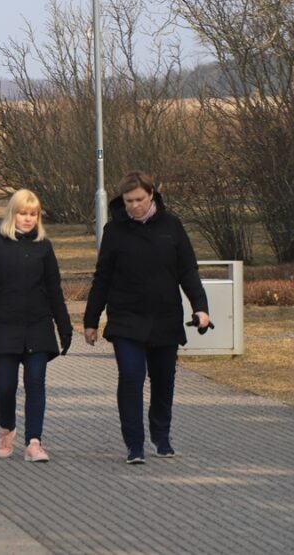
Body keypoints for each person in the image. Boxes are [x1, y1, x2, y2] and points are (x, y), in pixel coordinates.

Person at [83, 171, 210, 465]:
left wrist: (200, 308)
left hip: (165, 317)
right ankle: (134, 444)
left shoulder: (172, 226)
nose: (134, 206)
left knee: (163, 380)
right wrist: (91, 321)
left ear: (152, 195)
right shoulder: (115, 231)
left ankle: (161, 435)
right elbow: (101, 279)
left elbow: (188, 272)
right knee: (130, 377)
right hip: (126, 319)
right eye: (129, 201)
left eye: (140, 199)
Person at [0, 189, 73, 463]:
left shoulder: (44, 247)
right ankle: (7, 428)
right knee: (5, 385)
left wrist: (65, 327)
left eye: (33, 214)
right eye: (23, 213)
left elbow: (54, 290)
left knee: (35, 382)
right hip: (4, 325)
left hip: (37, 325)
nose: (28, 219)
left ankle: (34, 442)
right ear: (12, 214)